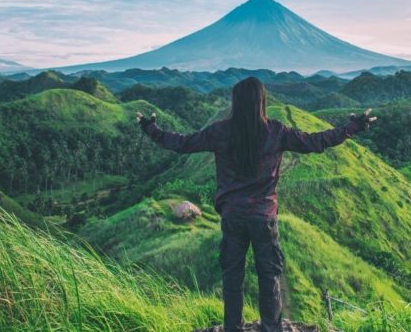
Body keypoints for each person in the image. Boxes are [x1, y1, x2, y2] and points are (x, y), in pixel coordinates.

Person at [136, 76, 375, 332]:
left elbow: (182, 144)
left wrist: (151, 129)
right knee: (269, 276)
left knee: (232, 278)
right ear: (262, 101)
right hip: (264, 217)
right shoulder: (276, 131)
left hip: (233, 216)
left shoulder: (220, 131)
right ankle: (272, 328)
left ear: (236, 102)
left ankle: (233, 328)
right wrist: (352, 128)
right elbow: (316, 141)